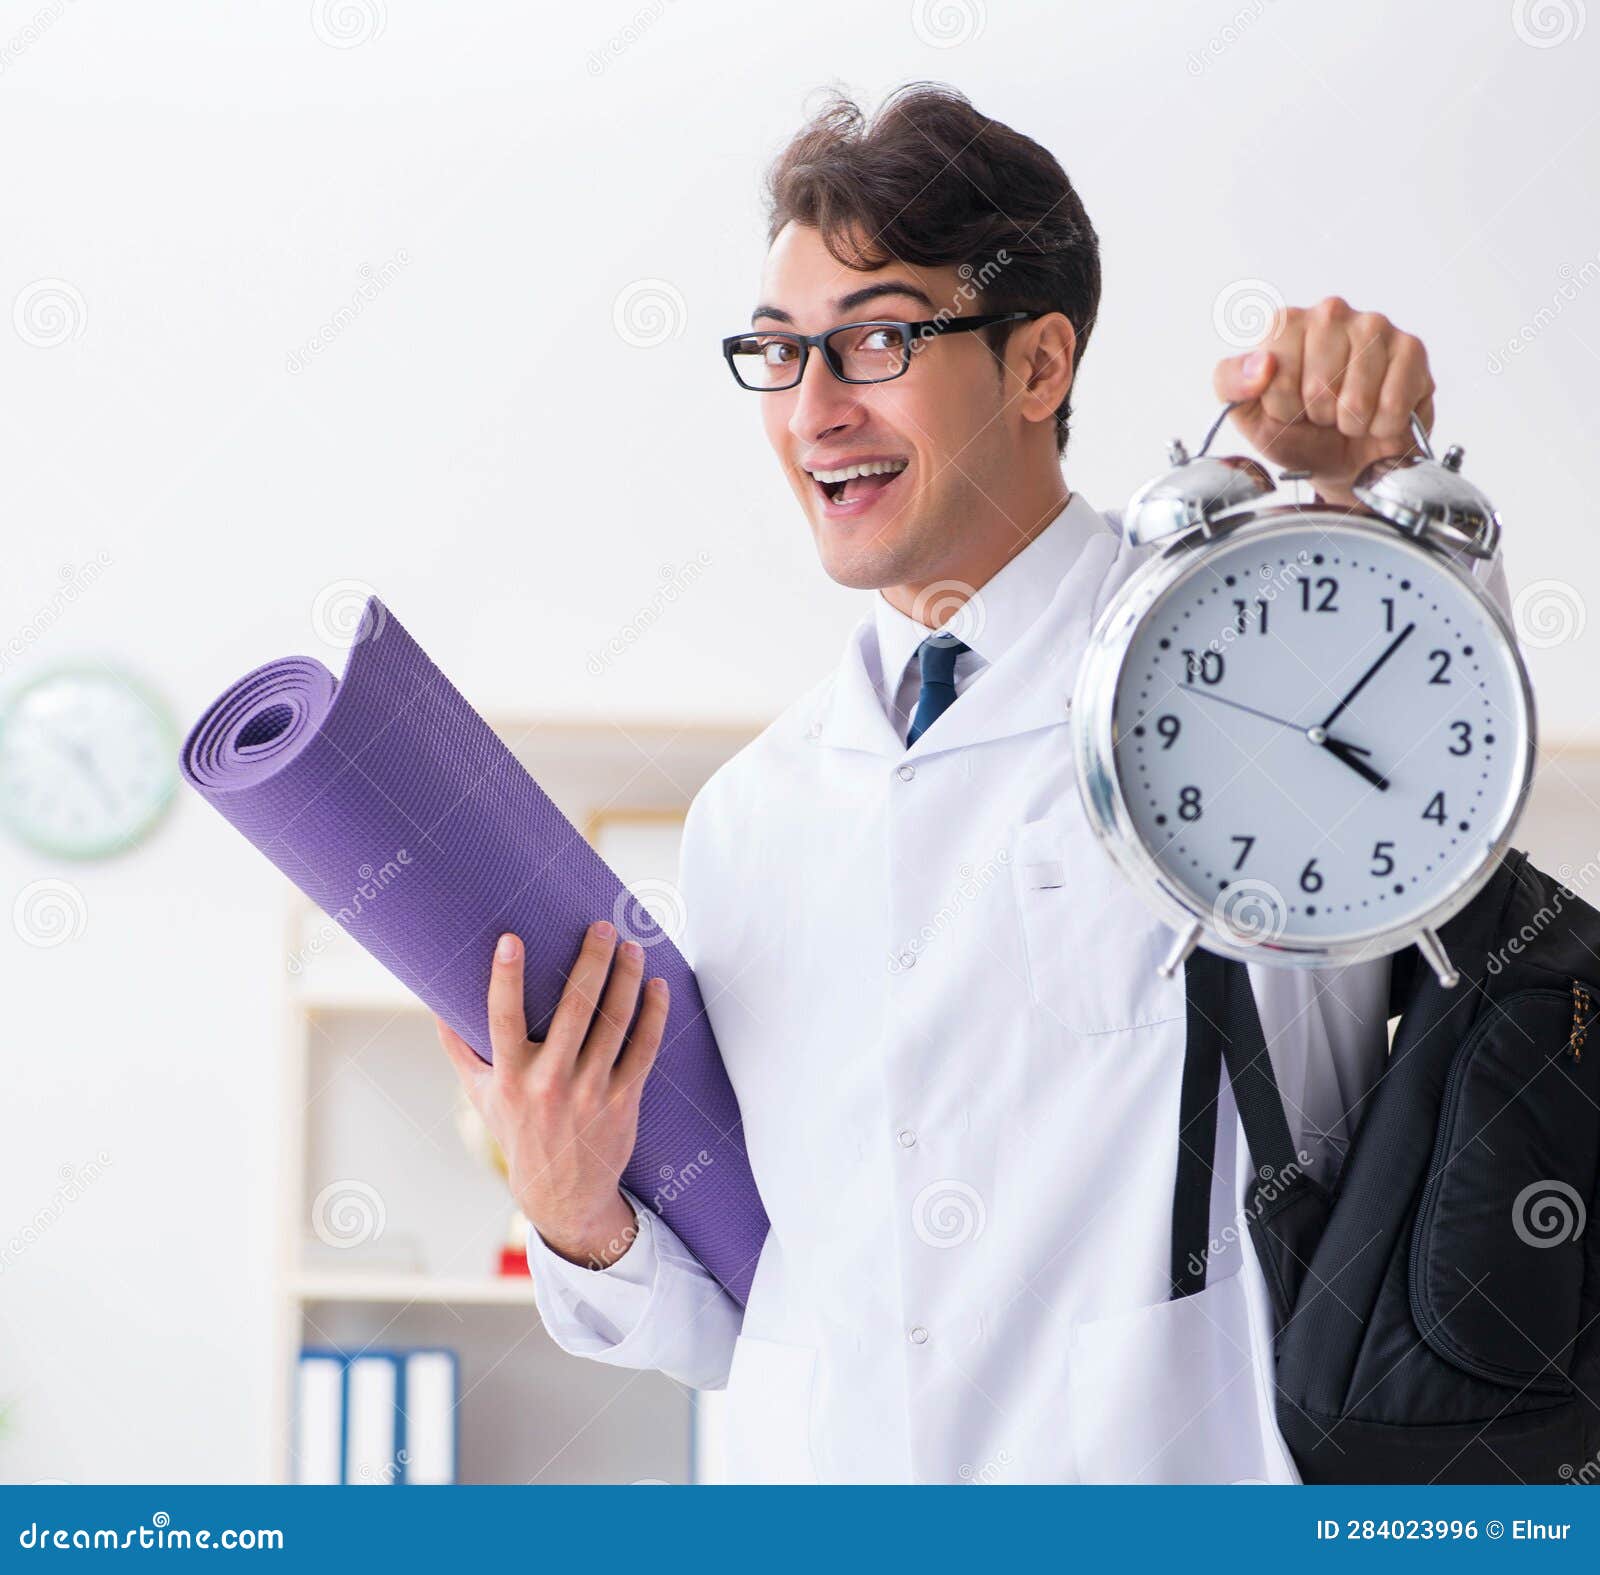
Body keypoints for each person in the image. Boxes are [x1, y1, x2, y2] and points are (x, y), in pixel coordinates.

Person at [434, 82, 1512, 1483]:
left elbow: (1444, 737)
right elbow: (748, 1323)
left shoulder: (1253, 661)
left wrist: (1374, 478)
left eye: (876, 339)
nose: (814, 410)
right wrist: (581, 1212)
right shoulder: (751, 816)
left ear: (1037, 365)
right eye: (778, 352)